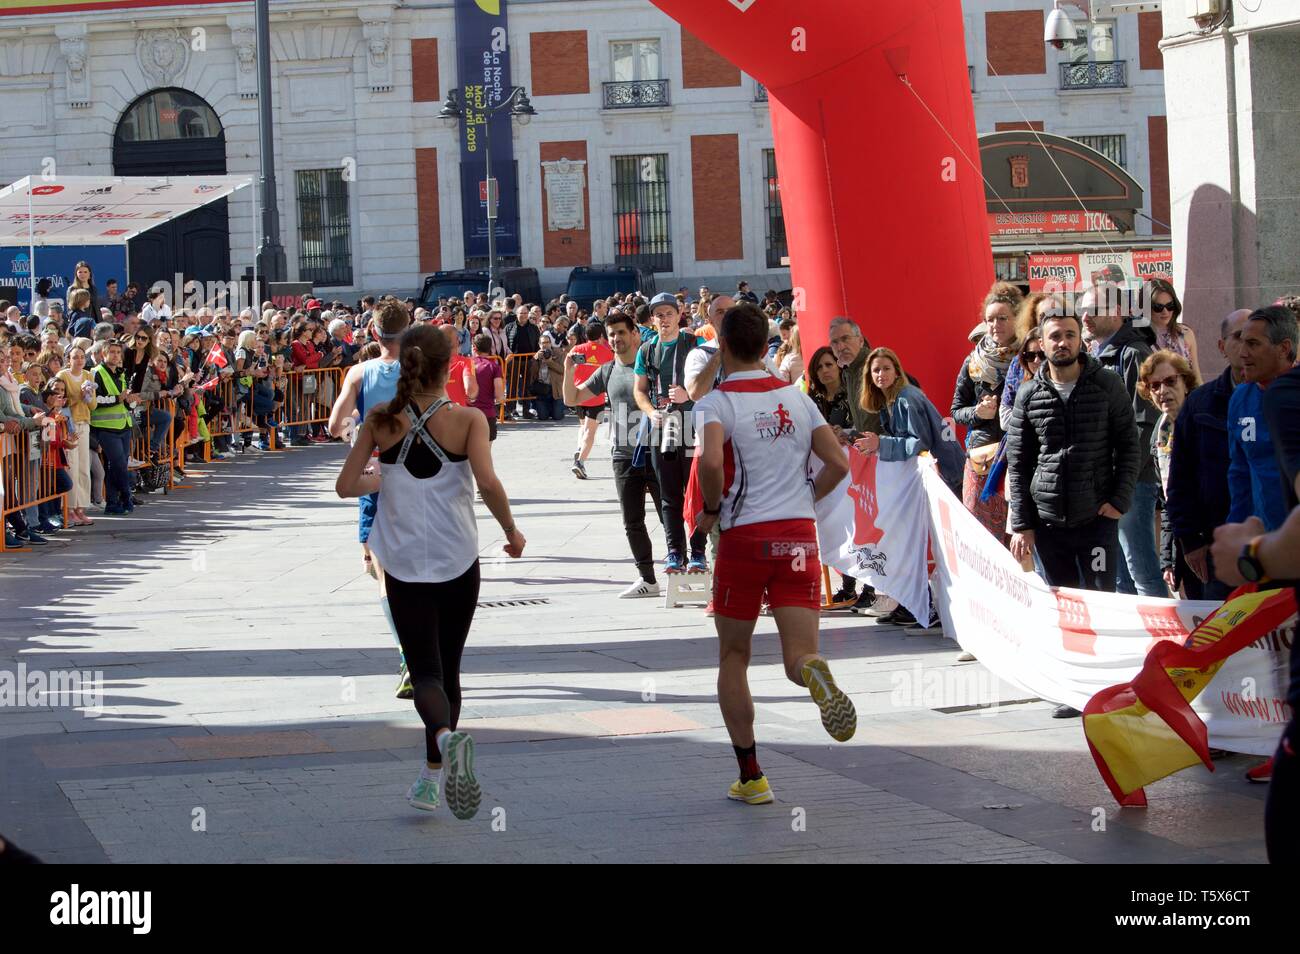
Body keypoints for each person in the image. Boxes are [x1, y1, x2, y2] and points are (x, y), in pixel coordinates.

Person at [335, 323, 524, 818]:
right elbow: (487, 482)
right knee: (450, 667)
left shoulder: (380, 419)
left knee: (424, 673)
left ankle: (438, 755)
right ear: (449, 364)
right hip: (458, 557)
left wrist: (386, 476)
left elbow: (345, 485)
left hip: (401, 562)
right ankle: (434, 770)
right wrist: (512, 531)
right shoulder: (467, 420)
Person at [694, 302, 855, 805]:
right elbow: (838, 463)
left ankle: (752, 775)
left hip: (744, 538)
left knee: (734, 656)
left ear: (723, 346)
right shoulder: (797, 397)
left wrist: (712, 510)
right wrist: (807, 497)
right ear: (767, 345)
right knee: (799, 655)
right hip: (797, 537)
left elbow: (710, 466)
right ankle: (813, 671)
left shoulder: (716, 403)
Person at [1007, 312, 1139, 718]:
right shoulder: (1029, 395)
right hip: (1048, 523)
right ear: (1041, 344)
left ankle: (1107, 689)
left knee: (1101, 603)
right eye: (1054, 337)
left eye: (1069, 335)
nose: (1062, 343)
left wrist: (1118, 500)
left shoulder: (1107, 384)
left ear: (1081, 341)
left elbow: (1129, 445)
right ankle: (1074, 689)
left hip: (1096, 518)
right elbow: (1019, 461)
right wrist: (1023, 524)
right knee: (1064, 608)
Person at [328, 299, 412, 699]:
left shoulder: (359, 372)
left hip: (374, 476)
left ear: (374, 334)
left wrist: (360, 441)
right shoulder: (424, 370)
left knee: (381, 574)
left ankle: (406, 655)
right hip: (419, 474)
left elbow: (334, 425)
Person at [856, 346, 965, 629]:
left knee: (942, 545)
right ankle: (920, 605)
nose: (880, 374)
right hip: (933, 478)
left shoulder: (906, 398)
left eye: (886, 368)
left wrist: (881, 444)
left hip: (945, 478)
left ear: (897, 371)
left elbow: (920, 443)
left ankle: (939, 609)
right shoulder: (891, 401)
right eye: (875, 370)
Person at [563, 311, 664, 598]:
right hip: (623, 454)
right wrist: (569, 368)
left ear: (635, 334)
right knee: (632, 521)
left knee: (669, 515)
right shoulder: (607, 370)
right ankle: (647, 579)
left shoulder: (652, 368)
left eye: (621, 332)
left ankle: (682, 568)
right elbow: (572, 398)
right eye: (612, 334)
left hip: (656, 451)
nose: (616, 338)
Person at [1084, 284, 1167, 598]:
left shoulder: (1134, 353)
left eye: (1095, 309)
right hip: (1105, 480)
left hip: (1131, 481)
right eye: (1083, 310)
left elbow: (1145, 420)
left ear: (1117, 312)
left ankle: (1164, 639)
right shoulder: (1094, 354)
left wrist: (1125, 475)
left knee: (1141, 568)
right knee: (1118, 574)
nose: (1086, 317)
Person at [1165, 309, 1251, 604]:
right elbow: (1180, 478)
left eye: (1255, 338)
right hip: (1215, 548)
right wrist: (1190, 540)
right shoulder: (1200, 404)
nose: (1247, 346)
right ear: (1222, 347)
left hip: (1272, 543)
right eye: (1239, 337)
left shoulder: (1281, 399)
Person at [634, 292, 707, 574]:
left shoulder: (695, 343)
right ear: (652, 320)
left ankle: (698, 550)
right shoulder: (647, 350)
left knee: (695, 490)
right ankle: (675, 551)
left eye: (668, 313)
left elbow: (714, 378)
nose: (664, 319)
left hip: (691, 426)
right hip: (661, 428)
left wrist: (689, 393)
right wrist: (650, 411)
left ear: (679, 315)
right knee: (668, 494)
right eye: (659, 315)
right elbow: (639, 390)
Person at [952, 282, 1021, 544]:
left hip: (1015, 457)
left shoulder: (1030, 356)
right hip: (981, 459)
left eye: (1002, 318)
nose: (995, 325)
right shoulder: (974, 361)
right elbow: (956, 410)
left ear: (1017, 319)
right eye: (990, 319)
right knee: (981, 541)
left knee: (1014, 540)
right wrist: (979, 413)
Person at [1136, 351, 1201, 598]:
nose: (1162, 390)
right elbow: (1166, 502)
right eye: (1154, 385)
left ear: (1186, 382)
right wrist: (1167, 559)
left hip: (1210, 540)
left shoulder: (1201, 420)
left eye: (1170, 381)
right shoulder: (1159, 433)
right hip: (1183, 540)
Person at [1227, 305, 1297, 533]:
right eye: (1241, 341)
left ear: (1284, 348)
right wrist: (1237, 529)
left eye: (1253, 344)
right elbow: (1240, 473)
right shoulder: (1240, 398)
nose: (1242, 353)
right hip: (1265, 541)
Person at [89, 339, 142, 515]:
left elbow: (125, 402)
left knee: (116, 466)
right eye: (111, 352)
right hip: (104, 427)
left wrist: (131, 402)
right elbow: (96, 401)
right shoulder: (96, 373)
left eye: (118, 352)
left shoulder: (120, 373)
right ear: (103, 354)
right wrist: (118, 398)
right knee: (118, 464)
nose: (116, 355)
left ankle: (112, 502)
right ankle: (126, 495)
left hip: (123, 425)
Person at [56, 345, 96, 526]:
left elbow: (93, 405)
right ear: (68, 359)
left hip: (84, 423)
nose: (79, 360)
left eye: (82, 357)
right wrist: (77, 397)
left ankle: (81, 507)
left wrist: (87, 396)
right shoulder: (62, 376)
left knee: (83, 467)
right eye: (75, 357)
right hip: (68, 425)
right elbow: (60, 401)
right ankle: (70, 508)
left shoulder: (88, 375)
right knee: (71, 466)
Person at [568, 320, 612, 479]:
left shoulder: (576, 349)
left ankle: (580, 448)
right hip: (596, 397)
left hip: (578, 395)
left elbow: (568, 367)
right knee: (590, 431)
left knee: (583, 426)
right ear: (601, 336)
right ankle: (580, 462)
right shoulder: (607, 353)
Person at [1145, 279, 1201, 383]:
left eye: (1169, 305)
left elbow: (1196, 376)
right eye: (1158, 307)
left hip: (1187, 397)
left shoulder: (1186, 333)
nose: (1165, 311)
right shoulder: (1139, 337)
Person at [469, 334, 504, 440]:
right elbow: (499, 395)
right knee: (486, 452)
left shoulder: (466, 364)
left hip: (468, 413)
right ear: (490, 348)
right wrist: (502, 399)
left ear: (474, 347)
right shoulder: (494, 367)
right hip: (487, 414)